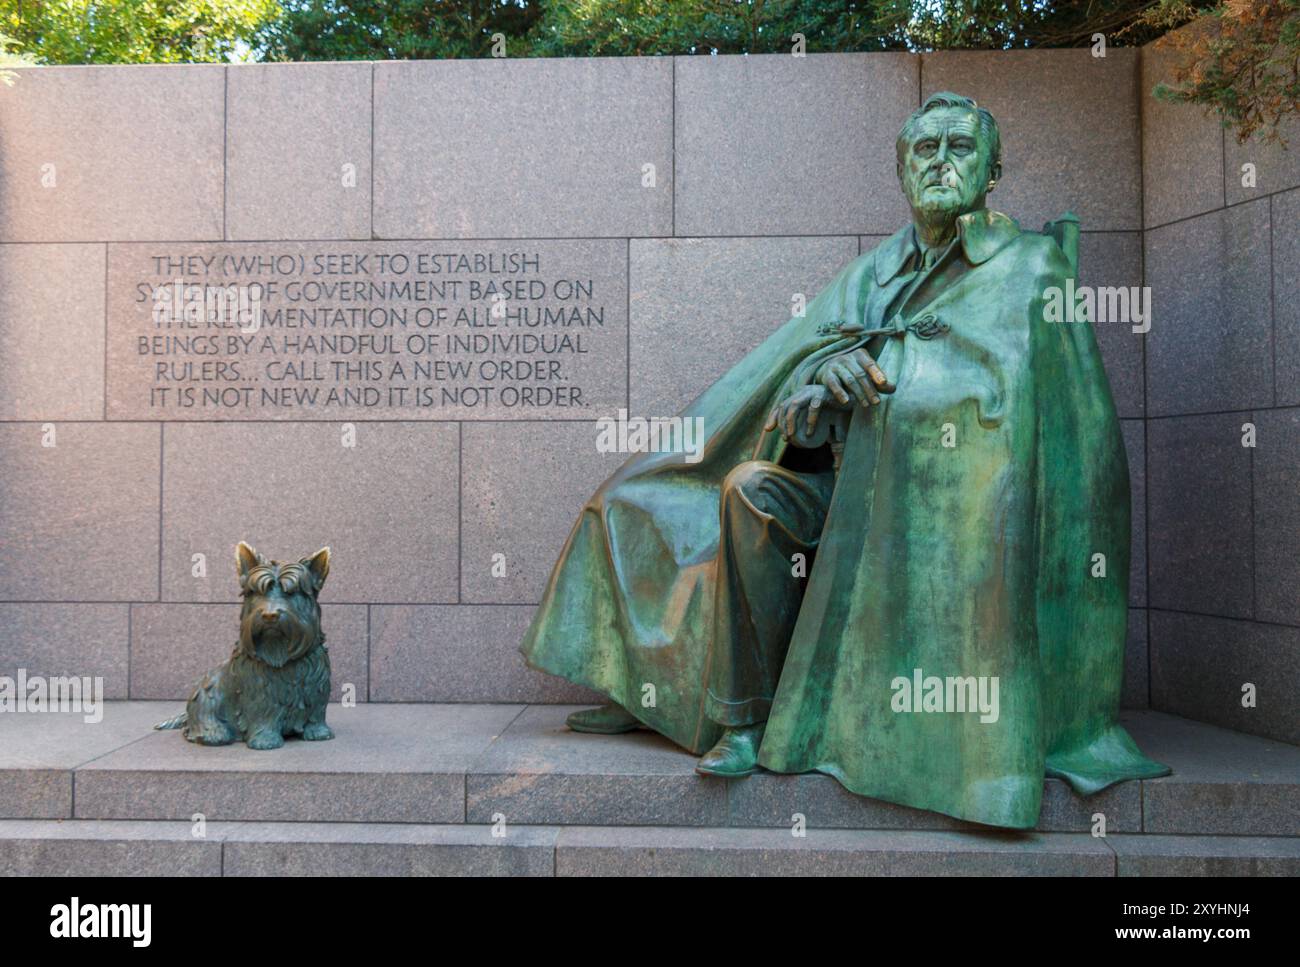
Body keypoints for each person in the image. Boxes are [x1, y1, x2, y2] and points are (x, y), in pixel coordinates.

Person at [520, 92, 1168, 828]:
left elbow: (1044, 424)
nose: (942, 162)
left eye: (960, 148)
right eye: (925, 150)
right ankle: (707, 708)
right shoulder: (874, 271)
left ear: (993, 169)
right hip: (841, 489)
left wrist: (893, 386)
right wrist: (816, 387)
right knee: (713, 492)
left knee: (756, 497)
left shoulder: (1032, 266)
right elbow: (790, 374)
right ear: (902, 168)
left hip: (943, 517)